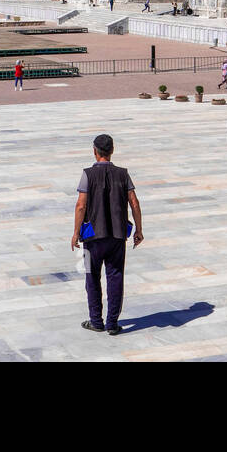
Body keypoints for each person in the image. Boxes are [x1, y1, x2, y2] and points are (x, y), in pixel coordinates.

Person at [72, 133, 143, 335]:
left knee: (92, 277)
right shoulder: (123, 174)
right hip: (117, 236)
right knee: (115, 276)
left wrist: (76, 232)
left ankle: (96, 321)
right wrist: (139, 229)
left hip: (93, 237)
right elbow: (135, 203)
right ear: (112, 151)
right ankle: (112, 323)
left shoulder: (87, 174)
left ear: (95, 151)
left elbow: (80, 206)